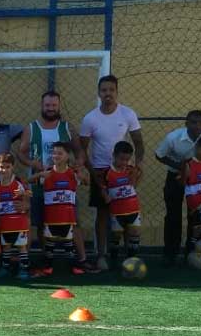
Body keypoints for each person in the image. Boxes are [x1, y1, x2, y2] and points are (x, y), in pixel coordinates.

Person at [17, 90, 92, 269]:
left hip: (64, 184)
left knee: (74, 221)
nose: (50, 108)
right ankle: (47, 259)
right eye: (47, 105)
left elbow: (79, 150)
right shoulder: (31, 127)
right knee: (42, 222)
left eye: (54, 105)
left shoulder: (67, 128)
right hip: (40, 182)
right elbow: (20, 152)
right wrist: (31, 163)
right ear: (42, 106)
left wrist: (79, 165)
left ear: (58, 106)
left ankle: (82, 259)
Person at [80, 75, 144, 270]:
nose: (108, 94)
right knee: (103, 213)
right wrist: (93, 173)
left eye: (111, 90)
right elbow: (82, 150)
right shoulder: (90, 118)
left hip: (124, 171)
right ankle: (101, 255)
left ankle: (128, 257)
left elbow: (139, 143)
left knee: (126, 212)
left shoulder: (128, 114)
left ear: (117, 92)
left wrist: (138, 167)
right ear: (99, 93)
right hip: (100, 170)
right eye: (104, 90)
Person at [155, 110, 201, 266]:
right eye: (193, 122)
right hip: (175, 176)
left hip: (199, 180)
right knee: (173, 215)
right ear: (186, 123)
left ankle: (192, 253)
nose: (198, 126)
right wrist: (181, 167)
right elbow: (159, 155)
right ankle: (170, 253)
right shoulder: (173, 137)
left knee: (196, 216)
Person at [34, 142, 90, 276]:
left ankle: (73, 266)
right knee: (50, 244)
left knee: (68, 244)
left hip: (68, 217)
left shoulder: (73, 173)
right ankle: (48, 267)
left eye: (60, 153)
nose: (56, 155)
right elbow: (29, 180)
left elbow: (86, 182)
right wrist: (39, 175)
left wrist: (83, 175)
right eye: (54, 153)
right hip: (51, 217)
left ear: (68, 156)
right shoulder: (47, 173)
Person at [0, 152, 32, 279]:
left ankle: (24, 269)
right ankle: (5, 268)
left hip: (18, 223)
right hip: (5, 223)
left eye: (7, 167)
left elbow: (29, 195)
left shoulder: (18, 183)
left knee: (21, 247)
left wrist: (24, 194)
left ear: (12, 167)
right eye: (2, 167)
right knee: (6, 246)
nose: (5, 170)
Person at [103, 141, 142, 264]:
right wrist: (105, 196)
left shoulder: (130, 170)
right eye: (121, 159)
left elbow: (134, 185)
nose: (124, 162)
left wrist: (137, 175)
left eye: (127, 159)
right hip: (117, 212)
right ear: (114, 155)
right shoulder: (107, 172)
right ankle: (114, 259)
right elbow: (102, 187)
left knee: (134, 233)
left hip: (133, 209)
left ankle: (132, 260)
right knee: (116, 236)